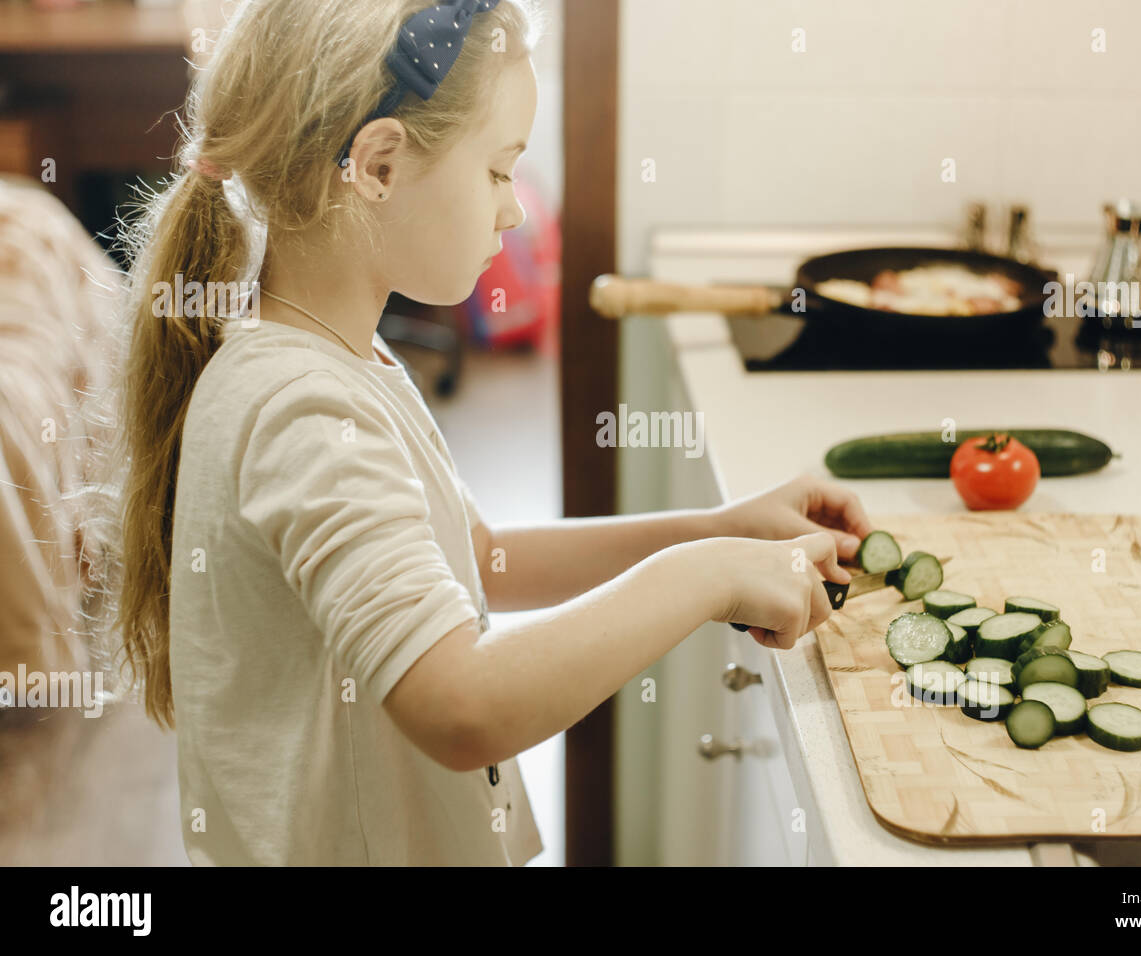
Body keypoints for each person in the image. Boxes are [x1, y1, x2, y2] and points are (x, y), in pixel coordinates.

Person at [79, 0, 871, 866]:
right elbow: (461, 707)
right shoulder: (301, 410)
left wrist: (725, 526)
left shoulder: (336, 352)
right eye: (498, 173)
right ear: (377, 164)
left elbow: (483, 554)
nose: (515, 212)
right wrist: (709, 577)